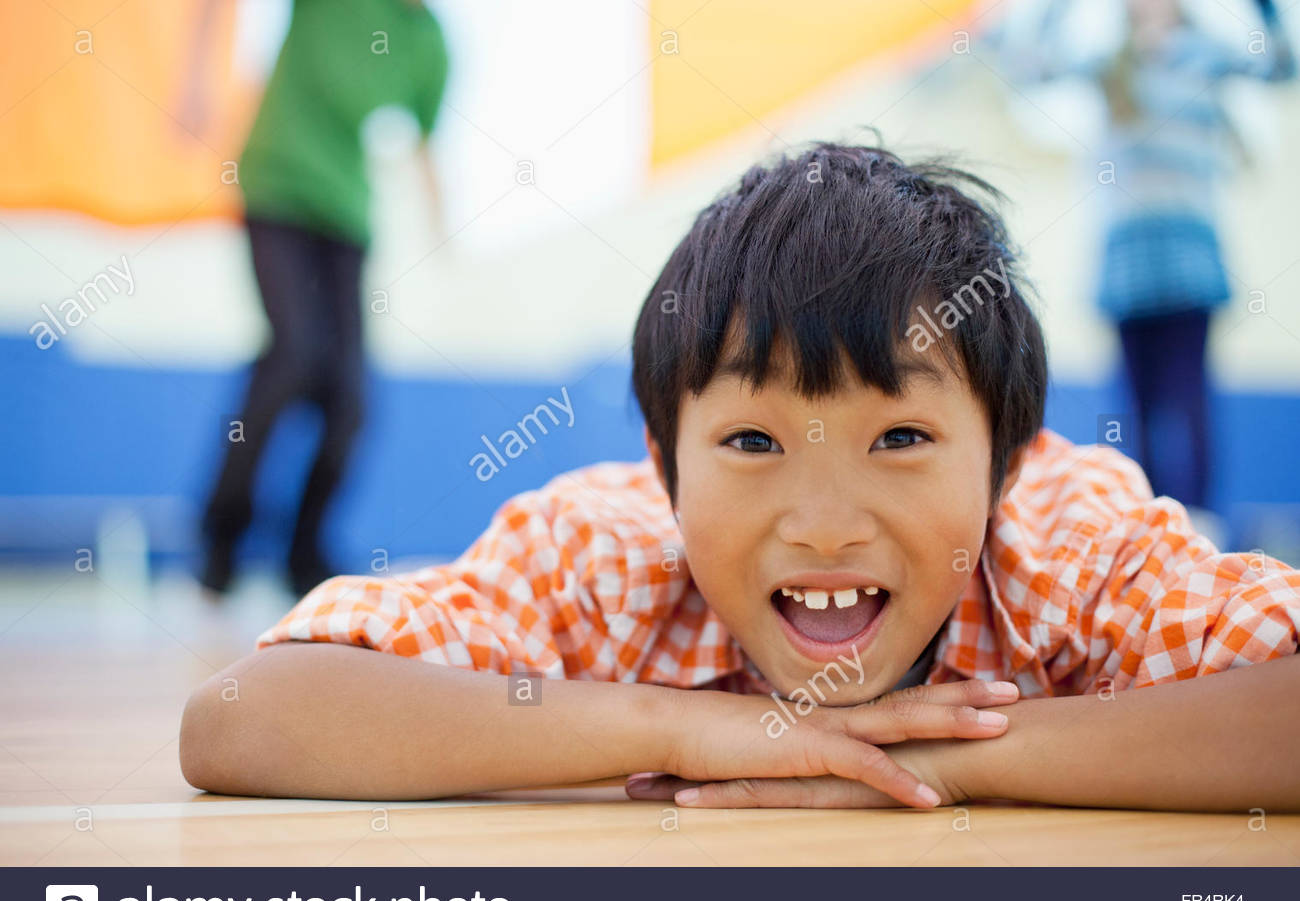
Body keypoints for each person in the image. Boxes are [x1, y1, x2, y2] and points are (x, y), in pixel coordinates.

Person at [180, 143, 1300, 812]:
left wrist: (937, 760)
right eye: (753, 444)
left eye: (900, 438)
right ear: (662, 466)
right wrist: (684, 727)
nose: (821, 526)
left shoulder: (1063, 538)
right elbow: (239, 718)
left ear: (1007, 460)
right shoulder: (607, 550)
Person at [1009, 0, 1295, 541]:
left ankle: (1202, 522)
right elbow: (1032, 66)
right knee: (1136, 403)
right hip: (1126, 260)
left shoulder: (1207, 57)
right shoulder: (1107, 66)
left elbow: (1281, 66)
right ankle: (1151, 526)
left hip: (1189, 251)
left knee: (1187, 393)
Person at [198, 0, 450, 596]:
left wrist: (449, 234)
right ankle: (222, 537)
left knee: (351, 400)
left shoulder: (429, 42)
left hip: (346, 220)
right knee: (294, 357)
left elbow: (424, 141)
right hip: (278, 190)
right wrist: (194, 78)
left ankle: (303, 552)